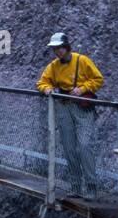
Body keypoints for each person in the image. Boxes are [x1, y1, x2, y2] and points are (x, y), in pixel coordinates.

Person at [36, 32, 104, 198]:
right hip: (64, 106)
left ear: (67, 47)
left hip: (82, 107)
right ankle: (75, 186)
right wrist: (48, 89)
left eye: (60, 47)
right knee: (69, 147)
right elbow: (41, 82)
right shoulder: (53, 66)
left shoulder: (82, 61)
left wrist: (83, 88)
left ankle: (91, 187)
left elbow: (98, 79)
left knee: (84, 145)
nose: (58, 51)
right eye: (55, 48)